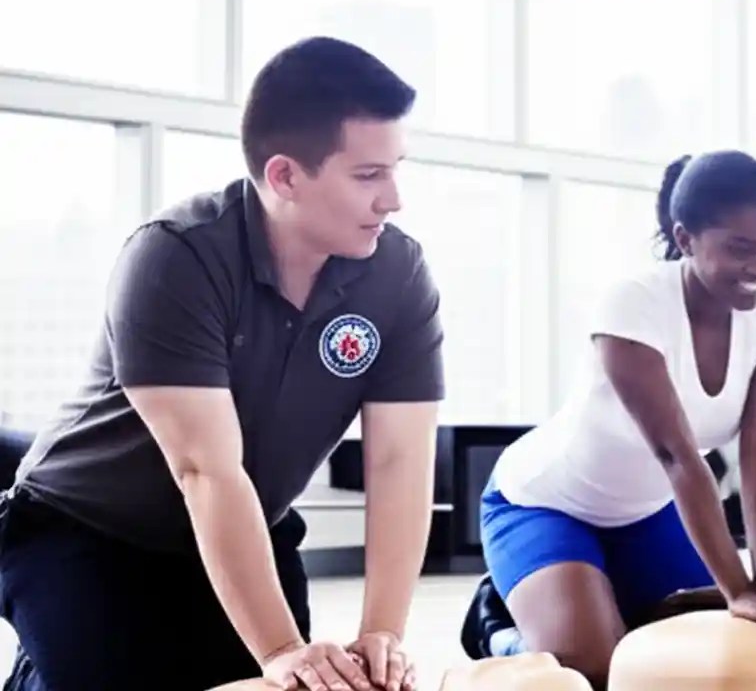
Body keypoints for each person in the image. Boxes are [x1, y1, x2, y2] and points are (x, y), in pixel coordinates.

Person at [0, 37, 443, 691]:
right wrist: (281, 648)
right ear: (285, 176)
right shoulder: (174, 258)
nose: (394, 199)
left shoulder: (399, 274)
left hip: (248, 527)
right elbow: (205, 469)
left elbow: (399, 460)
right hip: (84, 528)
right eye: (368, 176)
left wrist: (383, 633)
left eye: (396, 168)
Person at [463, 151, 756, 689]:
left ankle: (597, 599)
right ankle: (497, 627)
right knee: (598, 668)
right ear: (686, 238)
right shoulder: (633, 303)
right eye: (740, 248)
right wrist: (737, 589)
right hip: (544, 503)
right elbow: (678, 455)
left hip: (646, 512)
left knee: (713, 643)